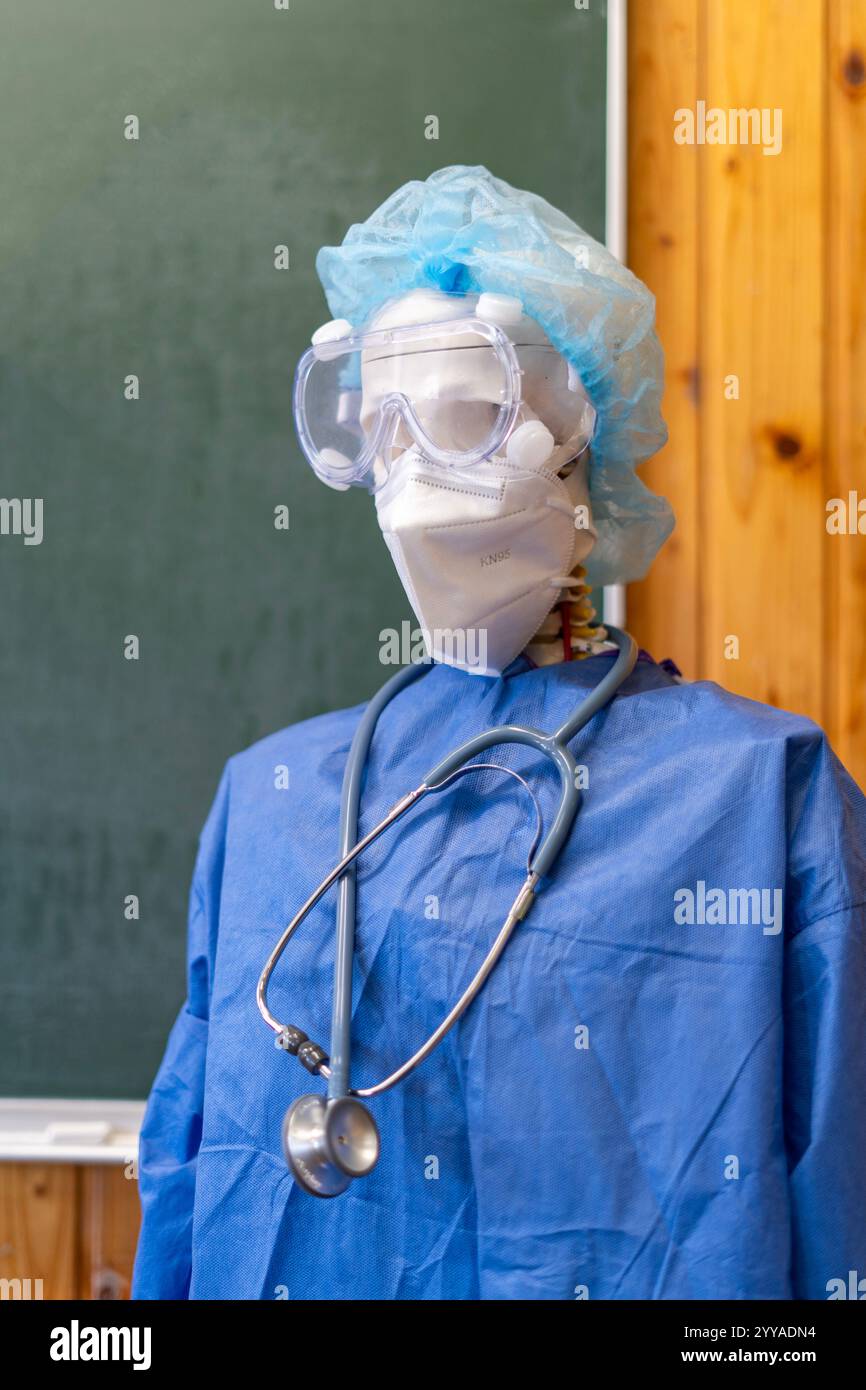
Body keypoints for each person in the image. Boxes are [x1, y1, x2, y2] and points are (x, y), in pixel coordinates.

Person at [133, 167, 866, 1300]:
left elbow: (842, 1195)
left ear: (575, 444)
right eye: (379, 421)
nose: (414, 467)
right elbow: (191, 1167)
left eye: (467, 415)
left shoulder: (757, 796)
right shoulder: (276, 799)